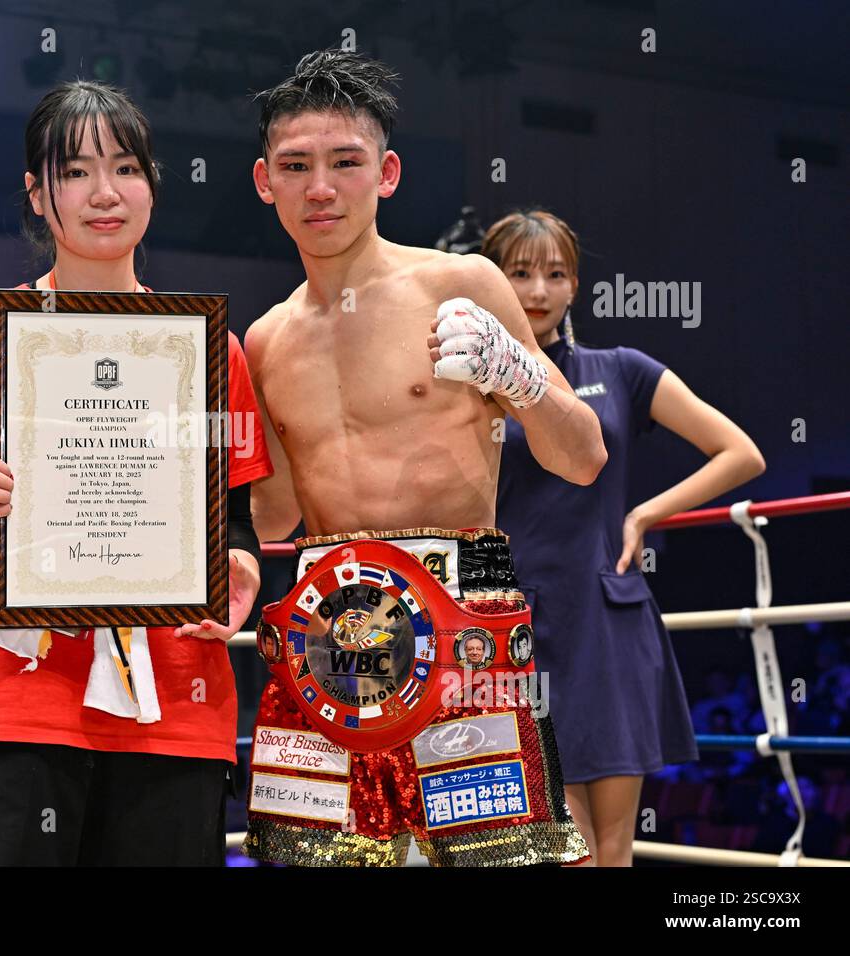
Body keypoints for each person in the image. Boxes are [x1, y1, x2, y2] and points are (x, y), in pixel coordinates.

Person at [0, 79, 273, 866]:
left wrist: (238, 566)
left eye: (127, 168)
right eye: (74, 172)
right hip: (4, 711)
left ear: (153, 186)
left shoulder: (208, 351)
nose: (105, 193)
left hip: (173, 713)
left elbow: (233, 517)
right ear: (36, 193)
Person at [242, 49, 606, 867]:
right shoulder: (263, 341)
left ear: (389, 172)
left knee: (494, 856)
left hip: (463, 609)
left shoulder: (461, 284)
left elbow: (582, 456)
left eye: (345, 162)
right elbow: (269, 516)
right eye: (295, 166)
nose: (321, 188)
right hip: (324, 626)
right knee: (320, 858)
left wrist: (515, 373)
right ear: (265, 181)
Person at [488, 208, 766, 865]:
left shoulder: (622, 369)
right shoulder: (468, 388)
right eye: (520, 273)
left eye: (555, 275)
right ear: (490, 281)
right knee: (560, 849)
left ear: (575, 286)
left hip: (606, 622)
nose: (537, 292)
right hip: (511, 625)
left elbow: (740, 453)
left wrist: (643, 516)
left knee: (613, 851)